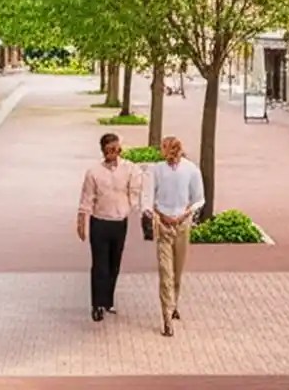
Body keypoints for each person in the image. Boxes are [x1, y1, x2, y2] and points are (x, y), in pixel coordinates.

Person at [141, 136, 204, 337]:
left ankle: (174, 302)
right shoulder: (156, 170)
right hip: (163, 224)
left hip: (182, 224)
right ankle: (166, 316)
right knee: (165, 271)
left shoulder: (191, 170)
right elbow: (148, 198)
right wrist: (157, 214)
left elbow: (198, 199)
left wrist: (185, 214)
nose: (169, 156)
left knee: (177, 270)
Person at [76, 132, 141, 322]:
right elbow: (87, 199)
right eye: (110, 150)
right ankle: (97, 304)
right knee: (100, 265)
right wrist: (82, 222)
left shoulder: (130, 169)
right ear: (103, 151)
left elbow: (136, 189)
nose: (114, 153)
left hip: (119, 222)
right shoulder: (93, 173)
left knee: (114, 263)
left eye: (117, 149)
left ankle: (108, 299)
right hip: (100, 221)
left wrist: (130, 207)